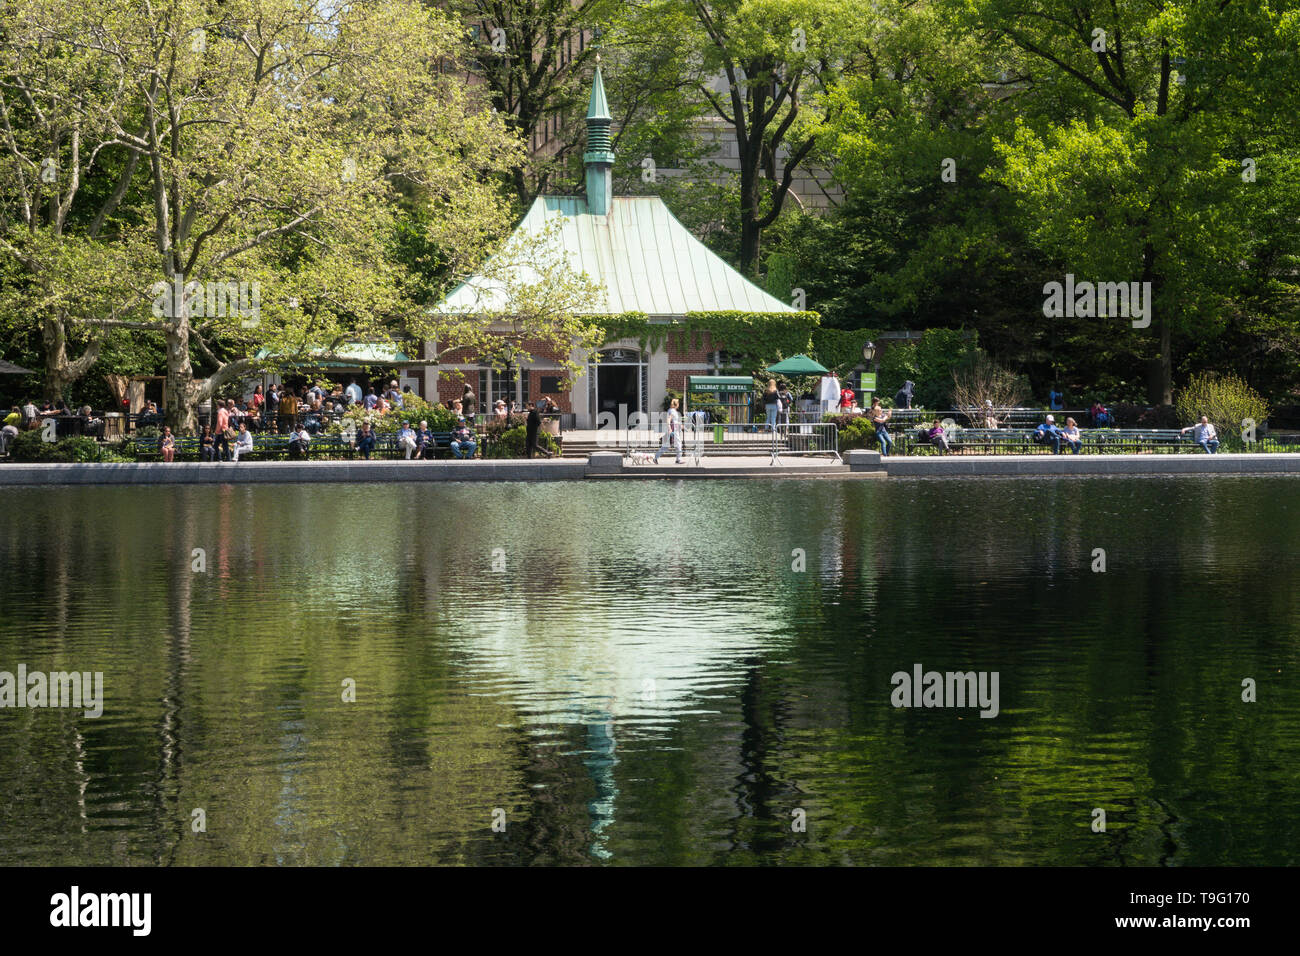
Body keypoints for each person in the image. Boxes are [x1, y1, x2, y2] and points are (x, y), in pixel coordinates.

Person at [654, 397, 684, 464]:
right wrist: (670, 428)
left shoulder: (672, 410)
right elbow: (669, 420)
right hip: (673, 430)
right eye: (678, 403)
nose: (679, 404)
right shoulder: (672, 411)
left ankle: (655, 457)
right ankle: (678, 459)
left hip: (674, 430)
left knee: (667, 446)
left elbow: (675, 421)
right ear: (676, 404)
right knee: (678, 444)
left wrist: (680, 425)